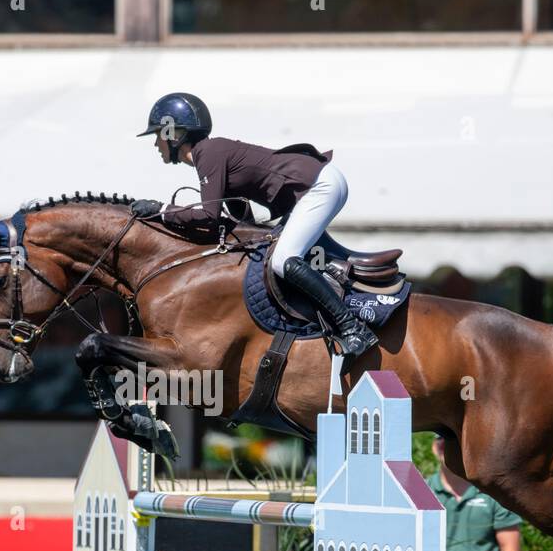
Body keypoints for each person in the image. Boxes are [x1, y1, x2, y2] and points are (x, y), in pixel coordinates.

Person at [129, 91, 377, 357]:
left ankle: (352, 327)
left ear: (173, 134)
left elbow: (209, 217)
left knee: (283, 260)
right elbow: (240, 219)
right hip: (316, 184)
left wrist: (162, 211)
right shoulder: (211, 155)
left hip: (318, 186)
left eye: (158, 135)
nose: (156, 144)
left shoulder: (208, 154)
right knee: (280, 253)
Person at [427, 436, 522, 551]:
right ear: (435, 446)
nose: (448, 445)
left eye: (455, 438)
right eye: (443, 438)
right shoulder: (421, 493)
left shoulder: (495, 495)